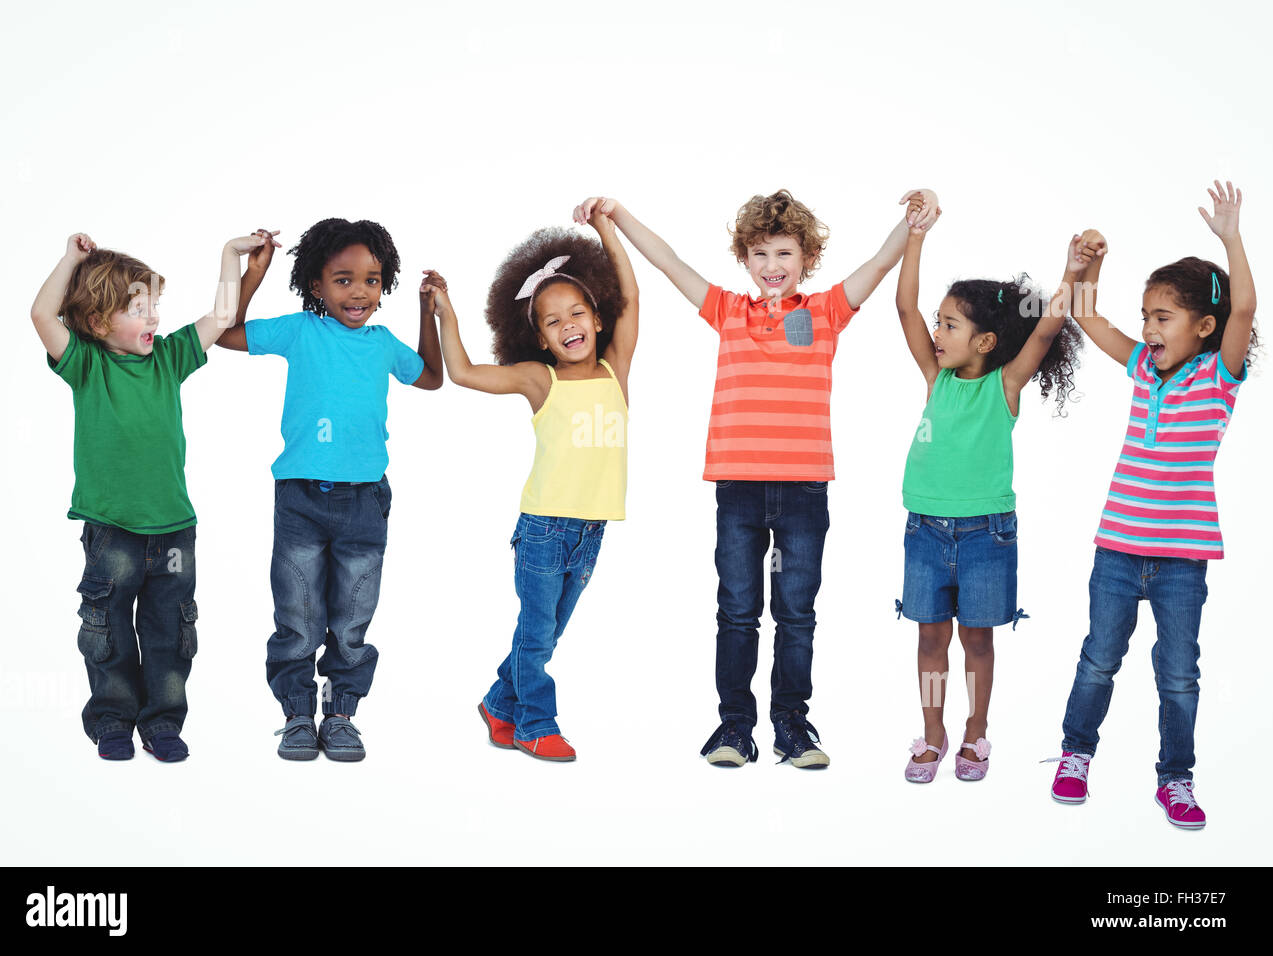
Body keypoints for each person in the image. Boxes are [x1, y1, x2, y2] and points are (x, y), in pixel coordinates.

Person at [610, 188, 937, 768]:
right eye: (759, 254)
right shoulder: (729, 311)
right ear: (745, 259)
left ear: (806, 258)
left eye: (784, 254)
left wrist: (914, 225)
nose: (772, 267)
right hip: (738, 489)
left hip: (804, 492)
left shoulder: (826, 312)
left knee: (796, 613)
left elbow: (882, 264)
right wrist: (617, 214)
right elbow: (668, 262)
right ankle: (735, 727)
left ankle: (792, 724)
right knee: (736, 609)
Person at [1049, 182, 1258, 829]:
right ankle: (1075, 754)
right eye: (1144, 315)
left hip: (1180, 562)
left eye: (1161, 317)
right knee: (1099, 659)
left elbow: (1245, 309)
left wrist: (1231, 237)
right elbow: (1087, 317)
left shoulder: (1216, 376)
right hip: (1116, 550)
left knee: (1177, 675)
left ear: (1203, 327)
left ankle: (1176, 779)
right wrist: (1088, 263)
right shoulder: (1143, 367)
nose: (1146, 328)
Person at [33, 229, 266, 761]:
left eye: (155, 305)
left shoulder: (169, 358)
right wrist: (71, 260)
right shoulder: (87, 366)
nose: (154, 319)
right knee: (107, 628)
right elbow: (44, 316)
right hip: (112, 527)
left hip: (173, 529)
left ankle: (162, 722)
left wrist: (229, 254)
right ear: (97, 322)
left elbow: (221, 317)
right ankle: (113, 720)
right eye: (139, 309)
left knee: (169, 632)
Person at [218, 219, 443, 761]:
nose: (359, 291)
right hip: (300, 498)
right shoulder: (300, 330)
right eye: (343, 280)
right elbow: (225, 333)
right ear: (316, 286)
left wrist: (425, 311)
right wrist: (252, 276)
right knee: (296, 615)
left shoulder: (383, 344)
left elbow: (432, 377)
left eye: (371, 279)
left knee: (350, 621)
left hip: (365, 501)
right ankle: (297, 715)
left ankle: (341, 714)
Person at [428, 199, 638, 762]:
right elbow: (466, 373)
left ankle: (500, 703)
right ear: (541, 339)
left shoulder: (616, 368)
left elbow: (633, 295)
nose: (568, 325)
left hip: (592, 529)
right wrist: (446, 314)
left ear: (598, 318)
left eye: (577, 313)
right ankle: (535, 724)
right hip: (545, 527)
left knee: (544, 633)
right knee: (538, 634)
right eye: (552, 320)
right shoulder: (541, 380)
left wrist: (605, 230)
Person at [894, 198, 1082, 783]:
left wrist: (1072, 273)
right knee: (931, 639)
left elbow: (1048, 326)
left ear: (985, 341)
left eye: (949, 324)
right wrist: (916, 236)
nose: (936, 331)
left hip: (986, 535)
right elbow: (903, 306)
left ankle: (976, 731)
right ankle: (932, 734)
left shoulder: (1006, 384)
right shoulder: (935, 377)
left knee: (977, 640)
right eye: (938, 323)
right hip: (925, 530)